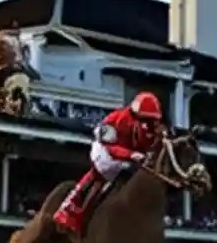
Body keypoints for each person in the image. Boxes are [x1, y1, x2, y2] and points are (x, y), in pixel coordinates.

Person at [52, 91, 164, 234]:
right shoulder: (116, 120)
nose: (150, 126)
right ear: (136, 116)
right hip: (105, 149)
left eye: (152, 121)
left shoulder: (151, 129)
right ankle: (71, 206)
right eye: (147, 121)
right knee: (103, 171)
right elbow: (110, 148)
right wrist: (132, 155)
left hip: (129, 156)